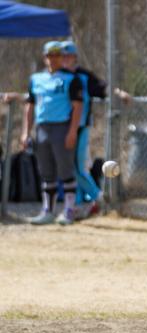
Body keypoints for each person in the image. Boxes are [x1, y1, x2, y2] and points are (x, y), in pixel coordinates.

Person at [60, 40, 132, 220]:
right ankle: (78, 203)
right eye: (63, 56)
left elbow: (103, 87)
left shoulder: (83, 76)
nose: (66, 59)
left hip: (81, 126)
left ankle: (98, 197)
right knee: (68, 168)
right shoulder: (56, 76)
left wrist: (119, 93)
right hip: (59, 127)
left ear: (75, 57)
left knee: (78, 166)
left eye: (69, 56)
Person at [21, 41, 83, 225]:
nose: (53, 59)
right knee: (46, 172)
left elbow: (78, 106)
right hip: (42, 128)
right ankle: (47, 210)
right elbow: (30, 106)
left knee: (65, 170)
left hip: (62, 127)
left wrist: (72, 131)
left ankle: (69, 211)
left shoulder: (71, 79)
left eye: (57, 55)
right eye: (50, 55)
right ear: (44, 57)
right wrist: (26, 132)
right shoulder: (36, 79)